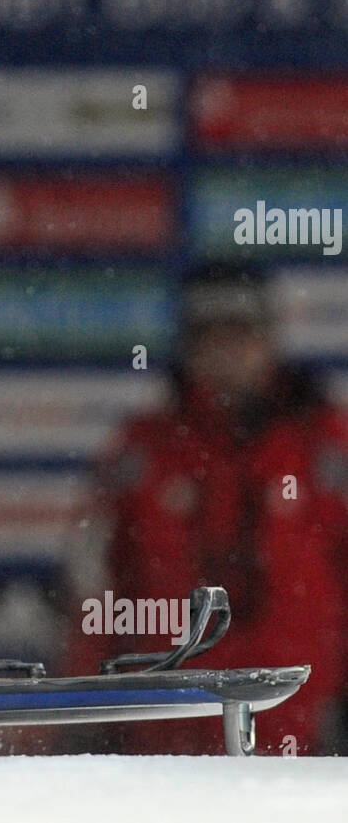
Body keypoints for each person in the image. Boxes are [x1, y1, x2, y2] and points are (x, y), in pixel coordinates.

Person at [70, 264, 348, 754]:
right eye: (209, 337)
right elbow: (93, 587)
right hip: (164, 742)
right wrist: (86, 711)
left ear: (269, 340)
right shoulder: (143, 451)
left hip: (306, 741)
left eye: (241, 334)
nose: (227, 353)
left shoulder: (326, 445)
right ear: (187, 345)